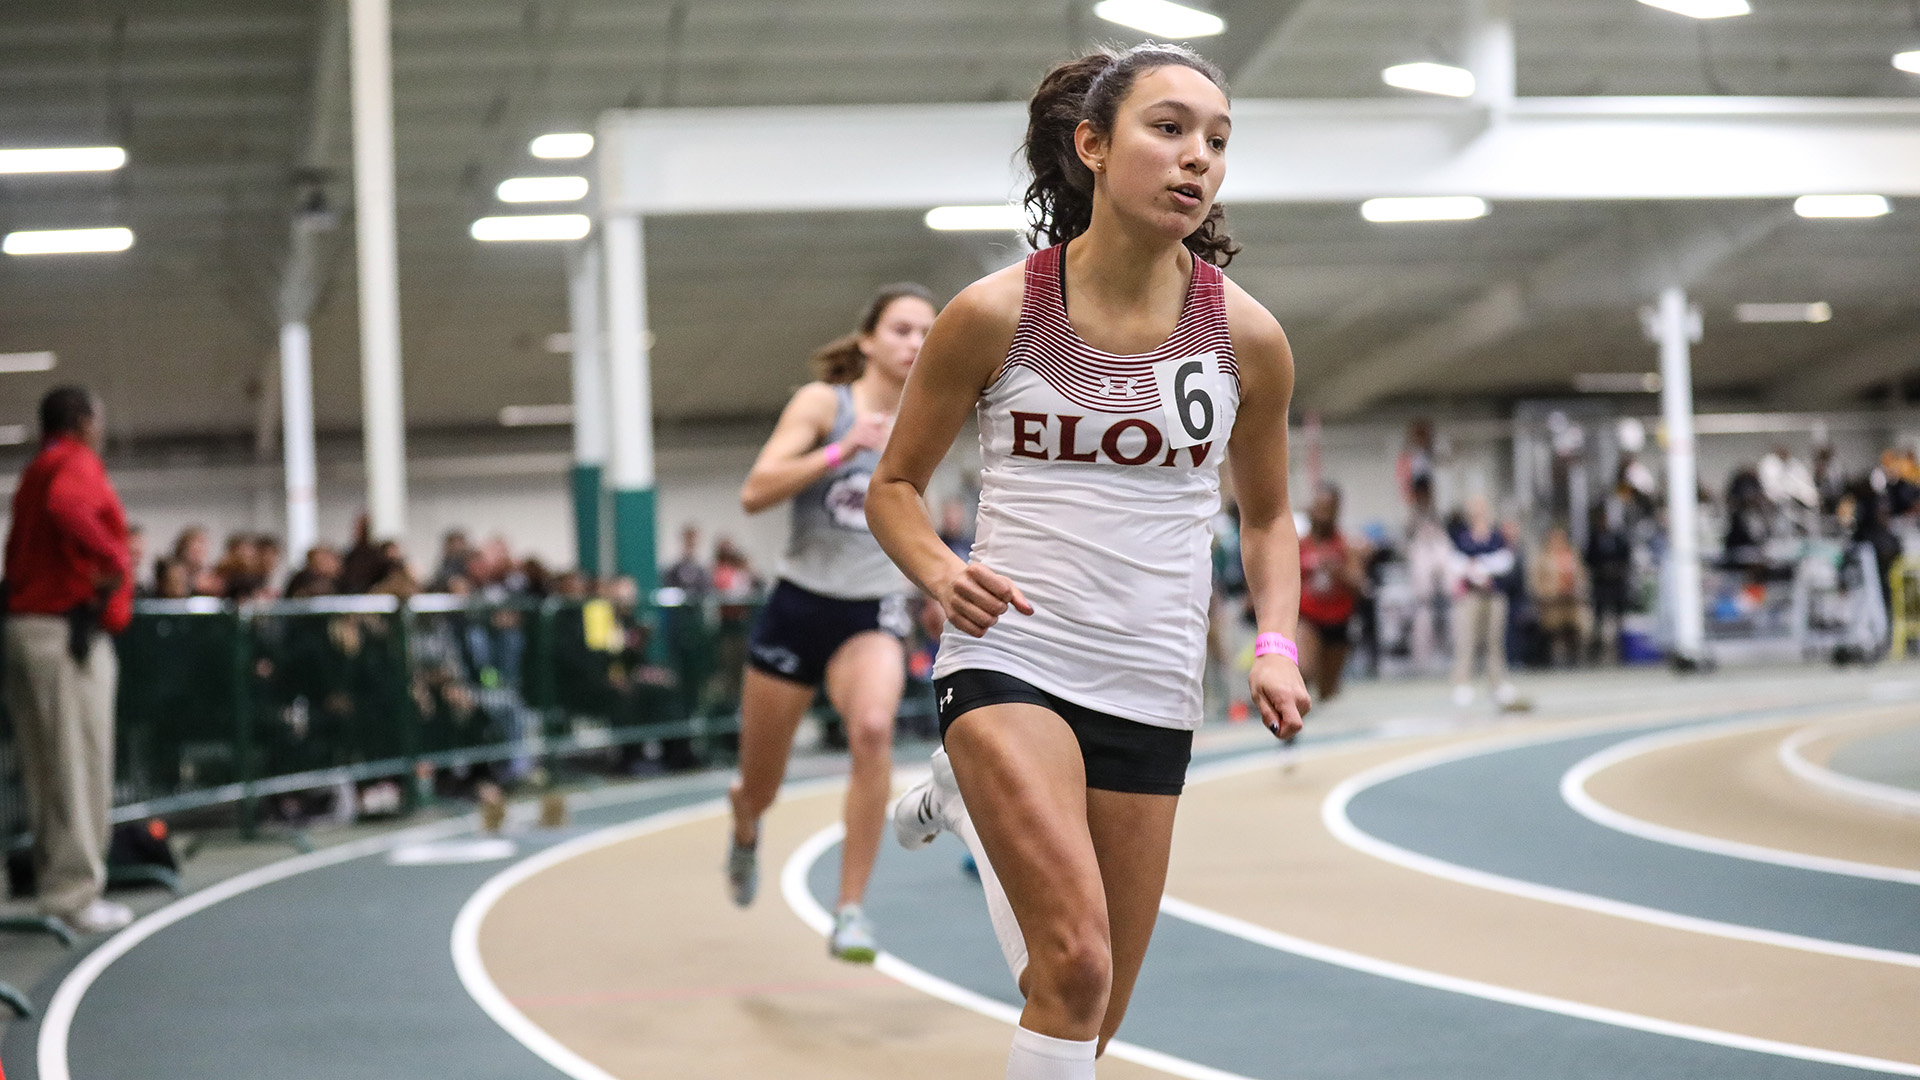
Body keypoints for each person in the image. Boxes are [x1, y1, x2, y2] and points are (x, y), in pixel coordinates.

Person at [868, 45, 1309, 1079]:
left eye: (1218, 139)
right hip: (1011, 654)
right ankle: (974, 765)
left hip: (1153, 679)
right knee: (1073, 963)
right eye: (1169, 128)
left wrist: (1276, 644)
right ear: (1093, 148)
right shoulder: (993, 314)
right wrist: (938, 572)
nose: (1197, 157)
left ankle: (963, 791)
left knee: (1091, 1016)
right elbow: (894, 490)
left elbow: (1271, 516)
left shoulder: (1249, 339)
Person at [724, 281, 936, 963]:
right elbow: (756, 491)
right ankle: (746, 822)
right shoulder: (824, 403)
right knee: (762, 782)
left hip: (870, 612)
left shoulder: (930, 412)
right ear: (869, 339)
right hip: (798, 605)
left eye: (928, 333)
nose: (915, 343)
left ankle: (849, 911)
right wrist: (844, 448)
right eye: (902, 330)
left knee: (873, 730)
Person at [2, 387, 136, 934]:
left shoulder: (38, 467)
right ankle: (76, 892)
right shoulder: (73, 462)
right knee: (79, 763)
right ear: (83, 422)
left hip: (28, 628)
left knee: (49, 767)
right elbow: (69, 507)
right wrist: (115, 559)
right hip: (61, 632)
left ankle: (60, 886)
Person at [1449, 494, 1520, 708]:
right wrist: (1474, 573)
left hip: (1494, 594)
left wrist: (1484, 568)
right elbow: (1456, 563)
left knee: (1494, 640)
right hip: (1471, 595)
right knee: (1467, 639)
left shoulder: (1497, 536)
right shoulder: (1463, 537)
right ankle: (1463, 682)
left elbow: (1505, 561)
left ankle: (1496, 683)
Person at [1297, 484, 1363, 703]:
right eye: (1320, 507)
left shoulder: (1347, 546)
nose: (1324, 514)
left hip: (1338, 622)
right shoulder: (1298, 545)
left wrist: (1338, 571)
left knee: (1328, 691)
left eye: (1330, 509)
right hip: (1308, 618)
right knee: (1304, 669)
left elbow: (1359, 585)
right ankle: (1293, 710)